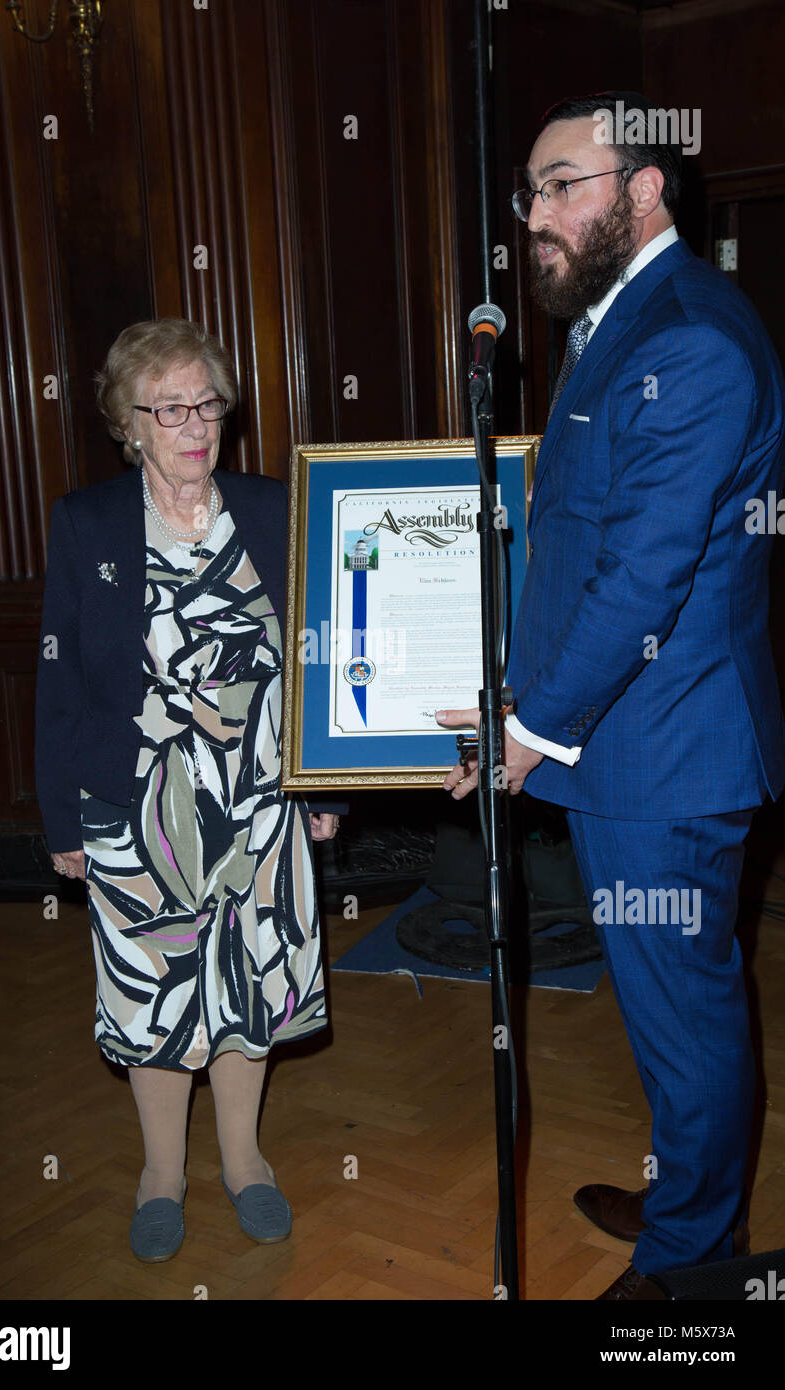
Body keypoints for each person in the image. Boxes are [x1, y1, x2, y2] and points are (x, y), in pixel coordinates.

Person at [437, 92, 785, 1299]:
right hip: (624, 748)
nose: (531, 216)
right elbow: (581, 548)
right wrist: (509, 701)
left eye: (559, 187)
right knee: (668, 1015)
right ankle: (696, 1196)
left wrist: (533, 728)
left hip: (665, 757)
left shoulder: (683, 335)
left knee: (685, 1021)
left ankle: (691, 1263)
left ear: (642, 192)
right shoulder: (617, 322)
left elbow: (642, 572)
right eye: (527, 193)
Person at [34, 318, 343, 1262]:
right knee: (156, 993)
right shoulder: (88, 524)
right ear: (129, 424)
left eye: (206, 403)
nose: (194, 424)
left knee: (253, 984)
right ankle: (160, 1172)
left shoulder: (272, 508)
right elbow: (59, 680)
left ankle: (245, 1161)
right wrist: (61, 815)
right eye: (169, 408)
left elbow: (322, 649)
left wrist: (335, 781)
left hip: (260, 798)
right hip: (140, 807)